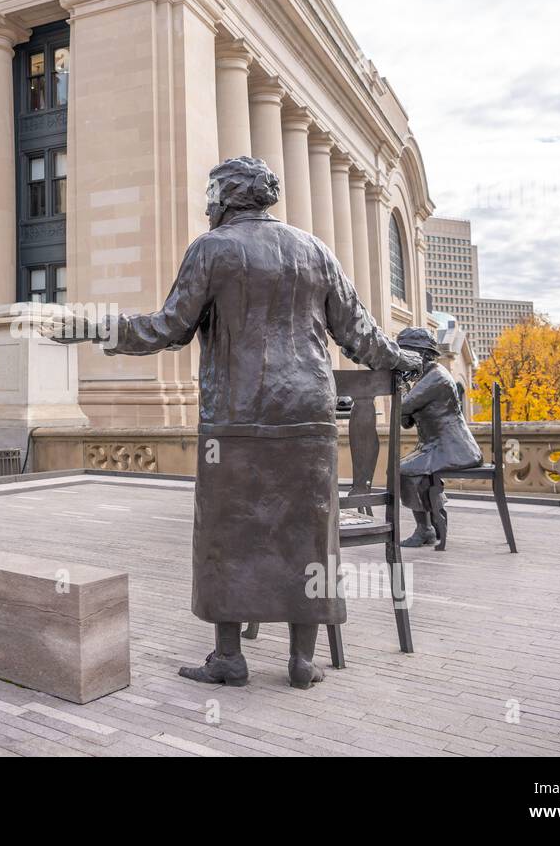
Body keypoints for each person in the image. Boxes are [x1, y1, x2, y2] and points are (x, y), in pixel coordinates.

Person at [53, 156, 420, 689]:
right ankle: (300, 661)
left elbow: (168, 328)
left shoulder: (213, 248)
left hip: (235, 416)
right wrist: (405, 360)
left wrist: (96, 328)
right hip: (309, 416)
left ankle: (229, 657)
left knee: (224, 532)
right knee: (308, 532)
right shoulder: (314, 249)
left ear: (227, 198)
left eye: (211, 194)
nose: (206, 204)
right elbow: (360, 335)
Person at [396, 327, 482, 551]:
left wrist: (400, 388)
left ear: (421, 355)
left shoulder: (436, 377)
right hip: (434, 447)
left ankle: (426, 528)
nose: (403, 361)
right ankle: (432, 523)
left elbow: (403, 407)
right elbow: (405, 421)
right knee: (412, 471)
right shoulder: (425, 377)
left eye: (406, 355)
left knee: (403, 470)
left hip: (452, 448)